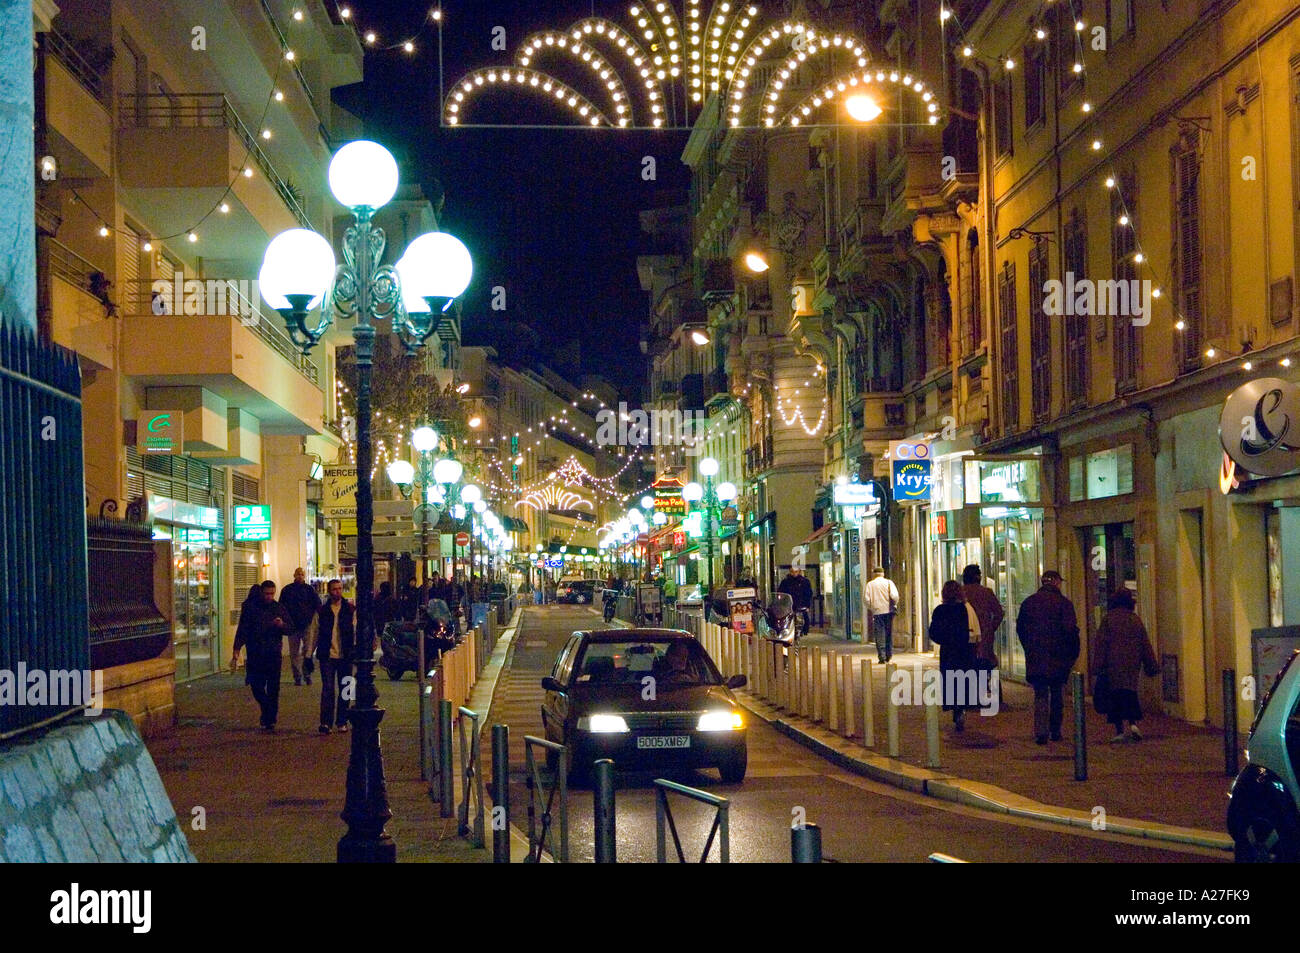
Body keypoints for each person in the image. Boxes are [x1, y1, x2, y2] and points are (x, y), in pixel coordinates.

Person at [1016, 570, 1081, 745]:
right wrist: (1072, 653)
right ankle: (1055, 730)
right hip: (1059, 657)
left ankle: (1041, 731)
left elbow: (1021, 629)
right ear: (1056, 583)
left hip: (1036, 656)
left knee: (1040, 694)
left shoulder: (1029, 603)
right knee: (1057, 693)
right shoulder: (1064, 604)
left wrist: (1029, 647)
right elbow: (1070, 631)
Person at [1094, 588, 1160, 743]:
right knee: (1130, 692)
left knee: (1115, 696)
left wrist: (1098, 665)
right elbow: (1145, 643)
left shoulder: (1109, 619)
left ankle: (1119, 730)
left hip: (1113, 664)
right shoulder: (1134, 619)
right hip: (1132, 664)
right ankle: (1133, 724)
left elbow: (1101, 644)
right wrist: (1151, 664)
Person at [231, 580, 293, 731]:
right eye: (267, 593)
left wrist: (281, 625)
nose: (269, 596)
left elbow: (290, 628)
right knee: (256, 686)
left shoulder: (278, 608)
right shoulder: (251, 608)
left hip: (273, 653)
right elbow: (243, 628)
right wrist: (236, 648)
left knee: (273, 688)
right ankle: (267, 709)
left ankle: (270, 718)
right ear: (261, 592)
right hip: (255, 653)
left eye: (272, 593)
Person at [928, 580, 982, 731]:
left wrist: (943, 640)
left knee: (949, 680)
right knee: (963, 679)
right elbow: (973, 630)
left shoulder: (940, 610)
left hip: (948, 650)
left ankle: (955, 708)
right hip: (964, 649)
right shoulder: (964, 608)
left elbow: (933, 632)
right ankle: (961, 709)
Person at [310, 578, 355, 734]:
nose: (338, 591)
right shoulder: (322, 611)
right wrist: (309, 654)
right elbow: (314, 632)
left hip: (346, 654)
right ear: (329, 591)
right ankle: (326, 722)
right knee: (328, 689)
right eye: (335, 589)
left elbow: (355, 630)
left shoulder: (350, 609)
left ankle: (342, 720)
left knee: (346, 688)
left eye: (340, 588)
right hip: (327, 654)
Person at [280, 568, 322, 687]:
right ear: (294, 575)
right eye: (298, 574)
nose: (300, 576)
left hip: (306, 624)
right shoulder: (288, 590)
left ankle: (306, 673)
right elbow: (281, 607)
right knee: (294, 652)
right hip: (293, 626)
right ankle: (297, 676)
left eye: (302, 574)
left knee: (307, 651)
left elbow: (317, 605)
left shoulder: (309, 590)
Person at [863, 567, 901, 663]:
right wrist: (894, 604)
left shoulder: (870, 585)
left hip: (877, 612)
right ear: (883, 574)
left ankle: (882, 657)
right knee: (888, 633)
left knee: (879, 634)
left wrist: (871, 607)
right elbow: (895, 596)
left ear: (874, 574)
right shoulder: (889, 583)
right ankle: (888, 655)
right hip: (889, 611)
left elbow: (866, 599)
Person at [778, 567, 813, 636]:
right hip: (788, 605)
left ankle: (803, 631)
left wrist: (807, 605)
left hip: (800, 604)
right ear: (789, 572)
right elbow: (781, 593)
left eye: (796, 571)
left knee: (803, 618)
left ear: (799, 571)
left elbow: (808, 594)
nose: (794, 574)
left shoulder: (804, 581)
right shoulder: (785, 582)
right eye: (792, 572)